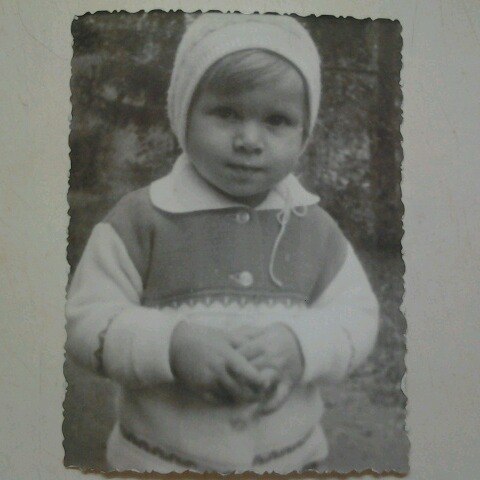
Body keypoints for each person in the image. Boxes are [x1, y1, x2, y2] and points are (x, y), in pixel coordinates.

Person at [66, 12, 379, 474]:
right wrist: (171, 346)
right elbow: (86, 321)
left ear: (303, 134)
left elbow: (357, 317)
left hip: (291, 462)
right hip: (158, 463)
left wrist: (301, 345)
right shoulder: (141, 220)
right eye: (227, 113)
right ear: (184, 117)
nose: (249, 140)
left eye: (277, 120)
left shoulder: (315, 228)